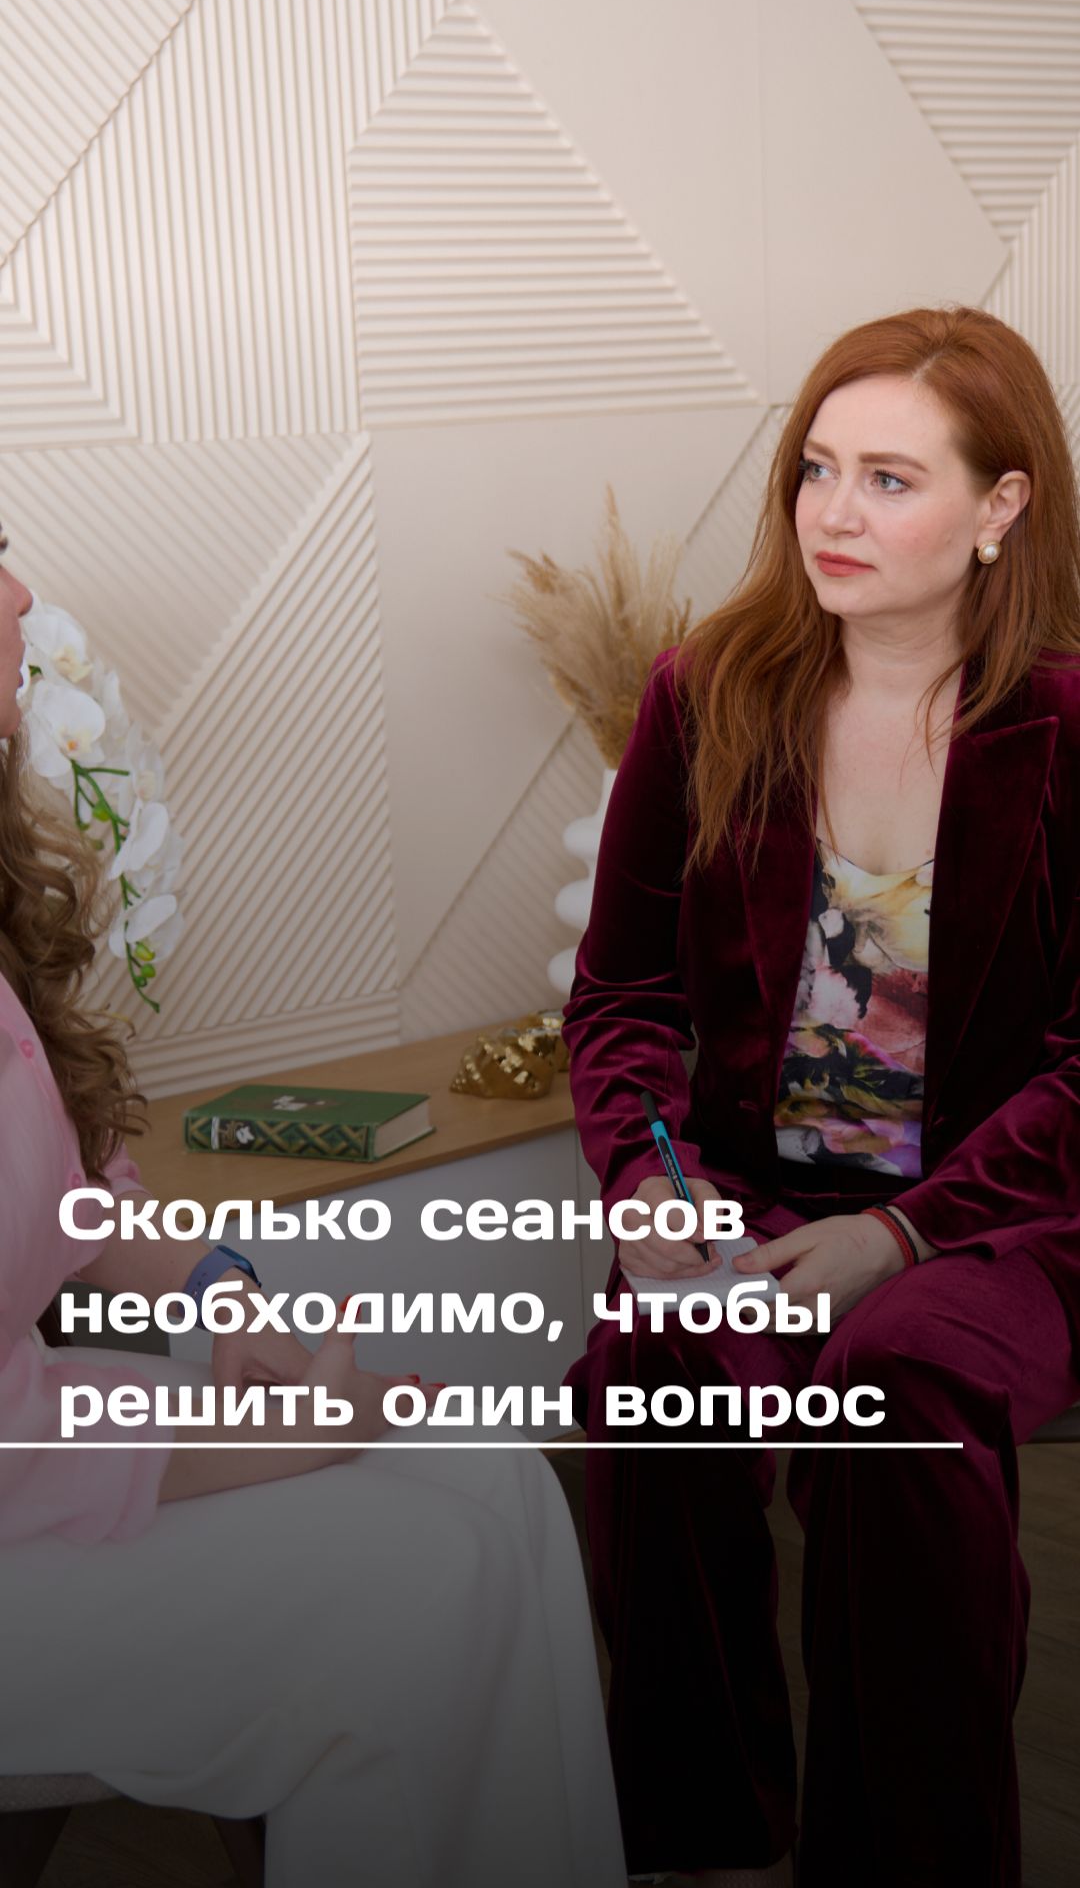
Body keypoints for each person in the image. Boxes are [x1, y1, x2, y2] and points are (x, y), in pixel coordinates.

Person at [0, 551, 628, 1888]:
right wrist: (245, 1446)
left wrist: (227, 1294)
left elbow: (78, 1190)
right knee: (428, 1582)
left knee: (497, 1476)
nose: (22, 598)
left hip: (42, 1443)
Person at [561, 305, 1080, 1888]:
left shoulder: (1068, 728)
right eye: (817, 469)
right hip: (756, 1189)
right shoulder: (708, 693)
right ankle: (708, 1840)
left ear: (999, 509)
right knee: (649, 1358)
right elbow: (627, 996)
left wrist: (903, 1239)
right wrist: (651, 1182)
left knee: (896, 1377)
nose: (834, 514)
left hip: (1009, 1217)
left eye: (891, 479)